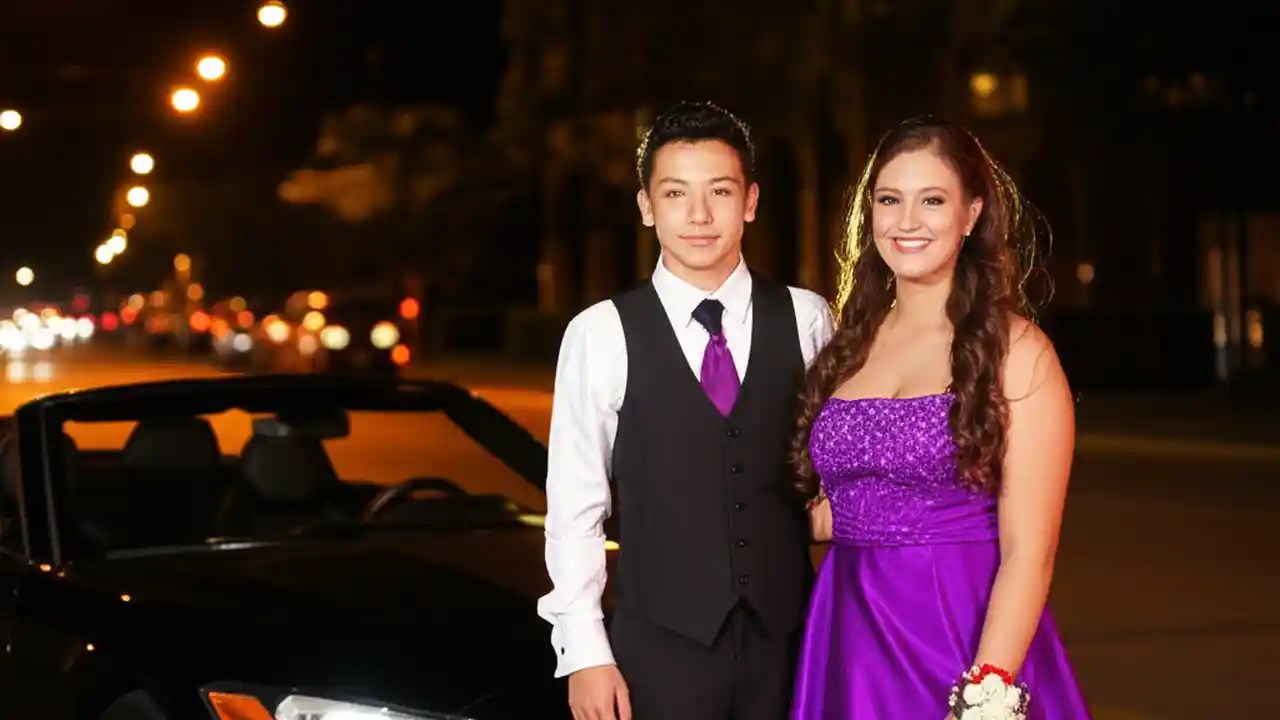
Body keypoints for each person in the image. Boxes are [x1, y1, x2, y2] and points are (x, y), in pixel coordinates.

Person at [537, 100, 834, 720]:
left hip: (791, 644)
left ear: (750, 201)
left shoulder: (807, 319)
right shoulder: (600, 333)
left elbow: (832, 481)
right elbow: (575, 509)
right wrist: (586, 653)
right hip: (659, 651)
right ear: (647, 207)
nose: (699, 215)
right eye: (676, 193)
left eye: (720, 191)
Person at [789, 116, 1091, 719]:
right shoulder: (847, 346)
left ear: (972, 214)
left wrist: (987, 694)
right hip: (848, 638)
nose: (906, 222)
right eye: (889, 200)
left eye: (932, 201)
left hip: (961, 640)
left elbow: (1030, 553)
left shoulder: (1017, 351)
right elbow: (837, 508)